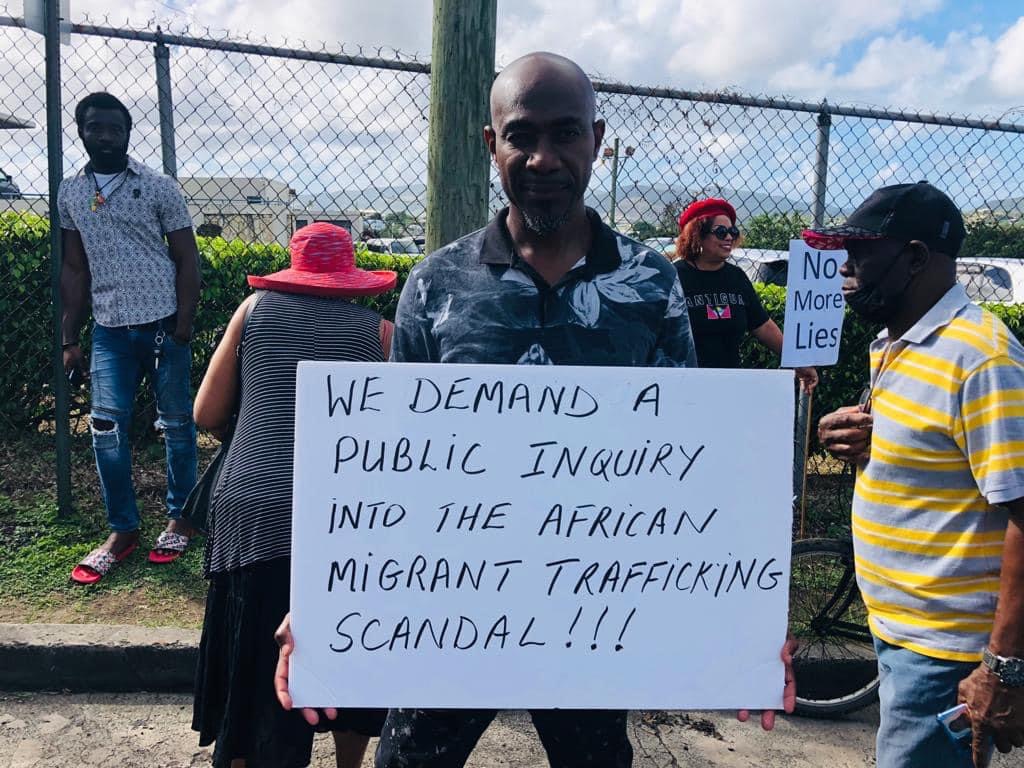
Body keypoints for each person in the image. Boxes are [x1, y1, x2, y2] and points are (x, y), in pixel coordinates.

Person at [274, 51, 796, 768]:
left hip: (592, 609)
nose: (544, 157)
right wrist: (328, 602)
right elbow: (388, 465)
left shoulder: (649, 284)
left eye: (566, 133)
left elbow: (688, 468)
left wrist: (743, 627)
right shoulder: (434, 285)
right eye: (522, 136)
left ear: (598, 138)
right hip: (452, 602)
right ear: (492, 144)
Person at [814, 182, 1024, 768]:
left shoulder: (982, 359)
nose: (846, 270)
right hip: (897, 627)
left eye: (860, 255)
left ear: (913, 257)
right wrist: (847, 436)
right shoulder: (892, 343)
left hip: (944, 652)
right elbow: (922, 450)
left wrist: (1002, 668)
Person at [191, 222, 394, 768]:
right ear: (352, 277)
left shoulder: (252, 312)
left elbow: (206, 415)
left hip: (250, 506)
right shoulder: (380, 334)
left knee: (255, 659)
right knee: (347, 641)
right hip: (344, 517)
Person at [59, 91, 201, 583]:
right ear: (81, 130)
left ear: (127, 133)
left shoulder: (159, 187)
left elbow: (187, 258)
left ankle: (182, 518)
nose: (105, 136)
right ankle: (123, 531)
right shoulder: (70, 192)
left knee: (178, 426)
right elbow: (74, 268)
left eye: (114, 129)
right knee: (105, 429)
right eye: (95, 127)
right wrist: (69, 338)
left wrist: (183, 325)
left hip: (164, 327)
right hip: (109, 332)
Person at [675, 198, 817, 391]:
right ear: (697, 234)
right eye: (720, 232)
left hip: (730, 385)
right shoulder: (675, 277)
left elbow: (763, 325)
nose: (729, 238)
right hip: (682, 384)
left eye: (732, 232)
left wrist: (797, 361)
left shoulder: (736, 278)